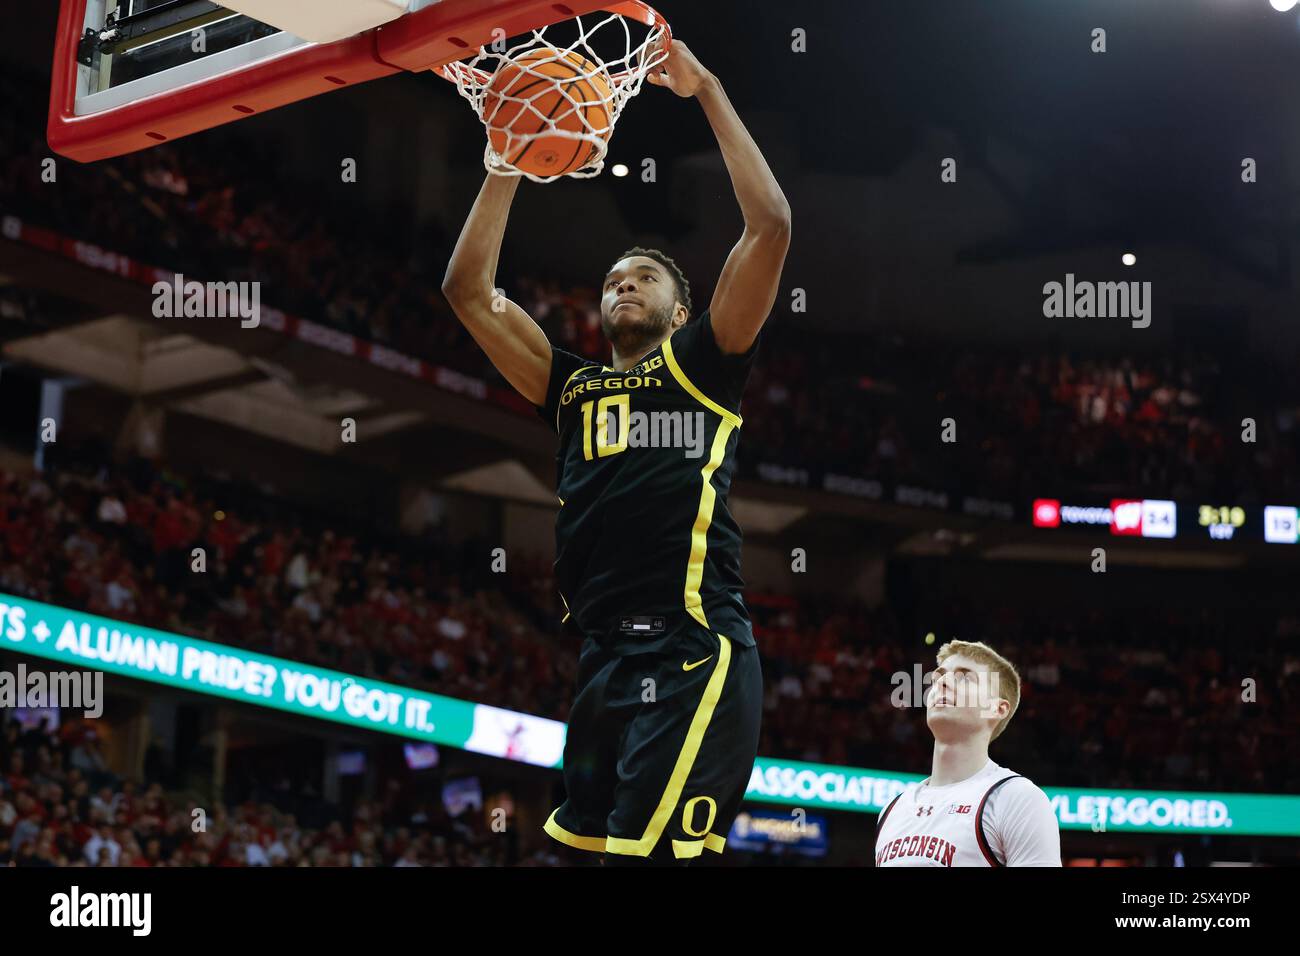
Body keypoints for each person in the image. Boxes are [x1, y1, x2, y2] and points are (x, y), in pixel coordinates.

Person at [442, 38, 791, 864]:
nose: (623, 283)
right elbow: (468, 292)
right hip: (602, 653)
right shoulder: (570, 390)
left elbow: (771, 225)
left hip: (689, 643)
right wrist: (509, 150)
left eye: (644, 277)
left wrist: (705, 86)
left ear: (679, 313)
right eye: (612, 280)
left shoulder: (702, 365)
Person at [874, 641, 1061, 867]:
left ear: (996, 708)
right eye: (937, 678)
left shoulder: (1016, 798)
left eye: (964, 678)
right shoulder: (893, 809)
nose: (942, 682)